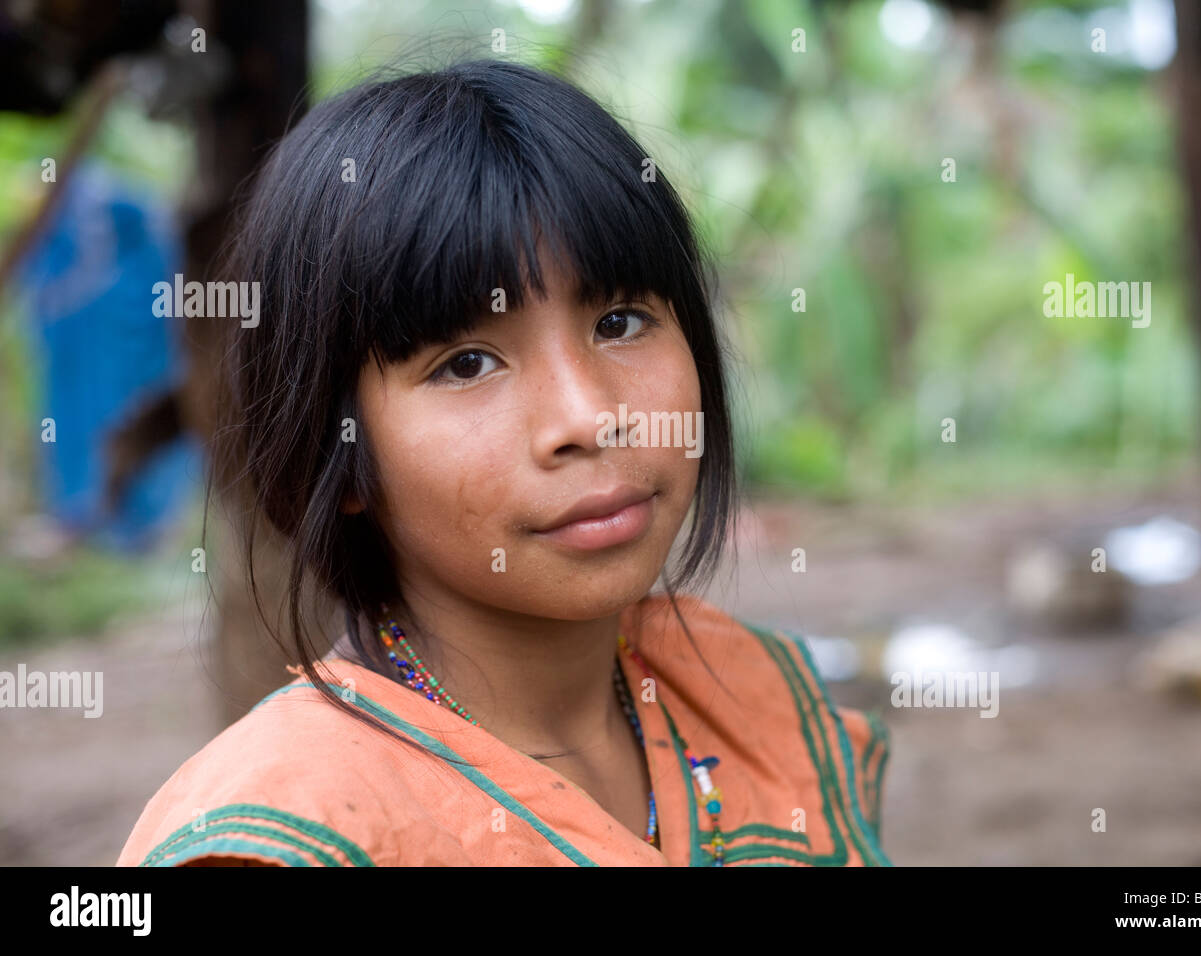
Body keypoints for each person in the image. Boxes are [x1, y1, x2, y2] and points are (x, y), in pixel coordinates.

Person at [116, 58, 891, 867]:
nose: (589, 418)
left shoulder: (752, 698)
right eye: (465, 364)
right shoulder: (289, 833)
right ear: (339, 456)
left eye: (621, 322)